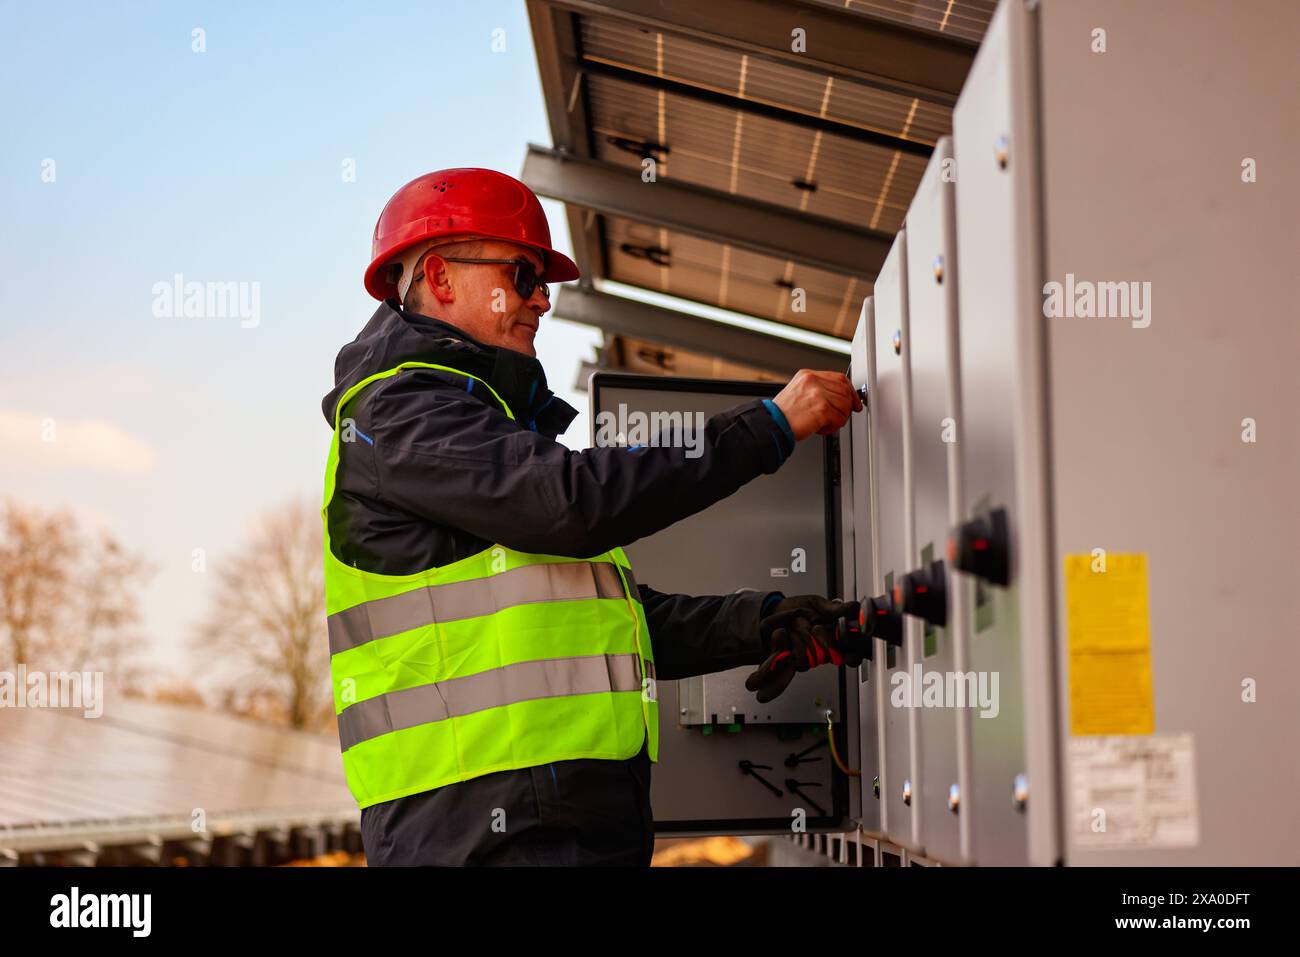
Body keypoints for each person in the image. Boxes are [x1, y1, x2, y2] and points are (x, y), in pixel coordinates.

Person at [321, 168, 865, 866]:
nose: (543, 300)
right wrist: (767, 426)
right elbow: (576, 502)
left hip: (540, 825)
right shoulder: (401, 414)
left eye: (545, 281)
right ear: (442, 277)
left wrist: (756, 622)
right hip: (480, 833)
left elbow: (606, 623)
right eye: (523, 275)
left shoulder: (474, 425)